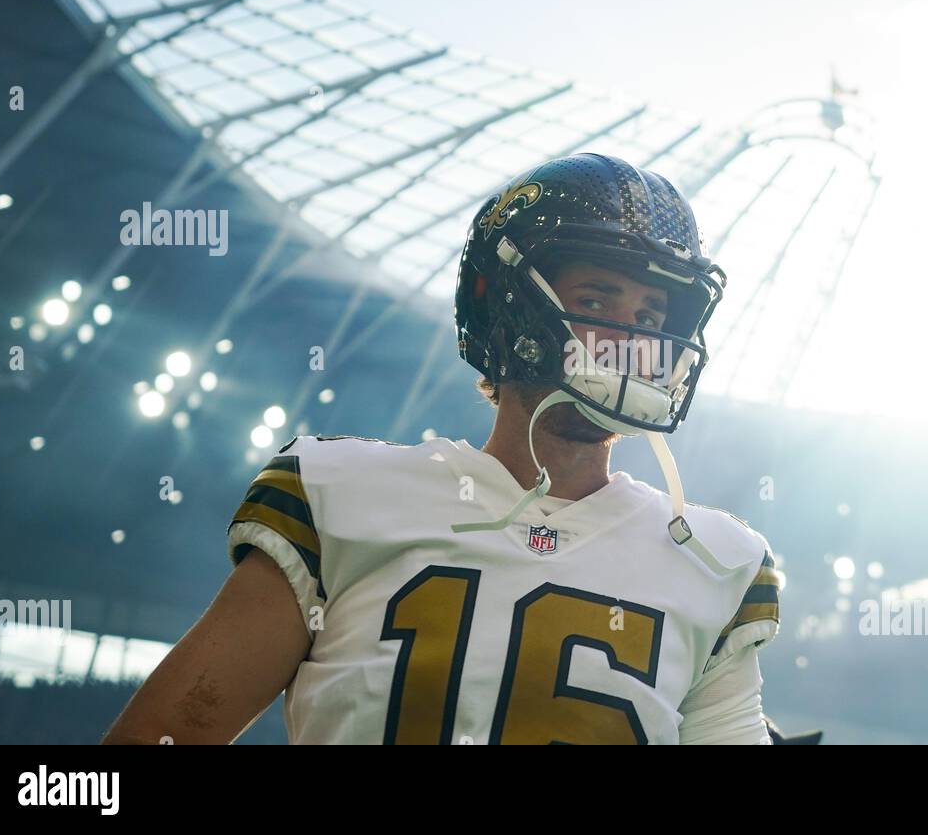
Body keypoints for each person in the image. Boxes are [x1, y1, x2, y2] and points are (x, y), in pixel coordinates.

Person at [104, 153, 780, 744]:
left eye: (649, 318)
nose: (628, 338)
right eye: (598, 298)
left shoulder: (717, 562)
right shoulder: (339, 494)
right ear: (512, 307)